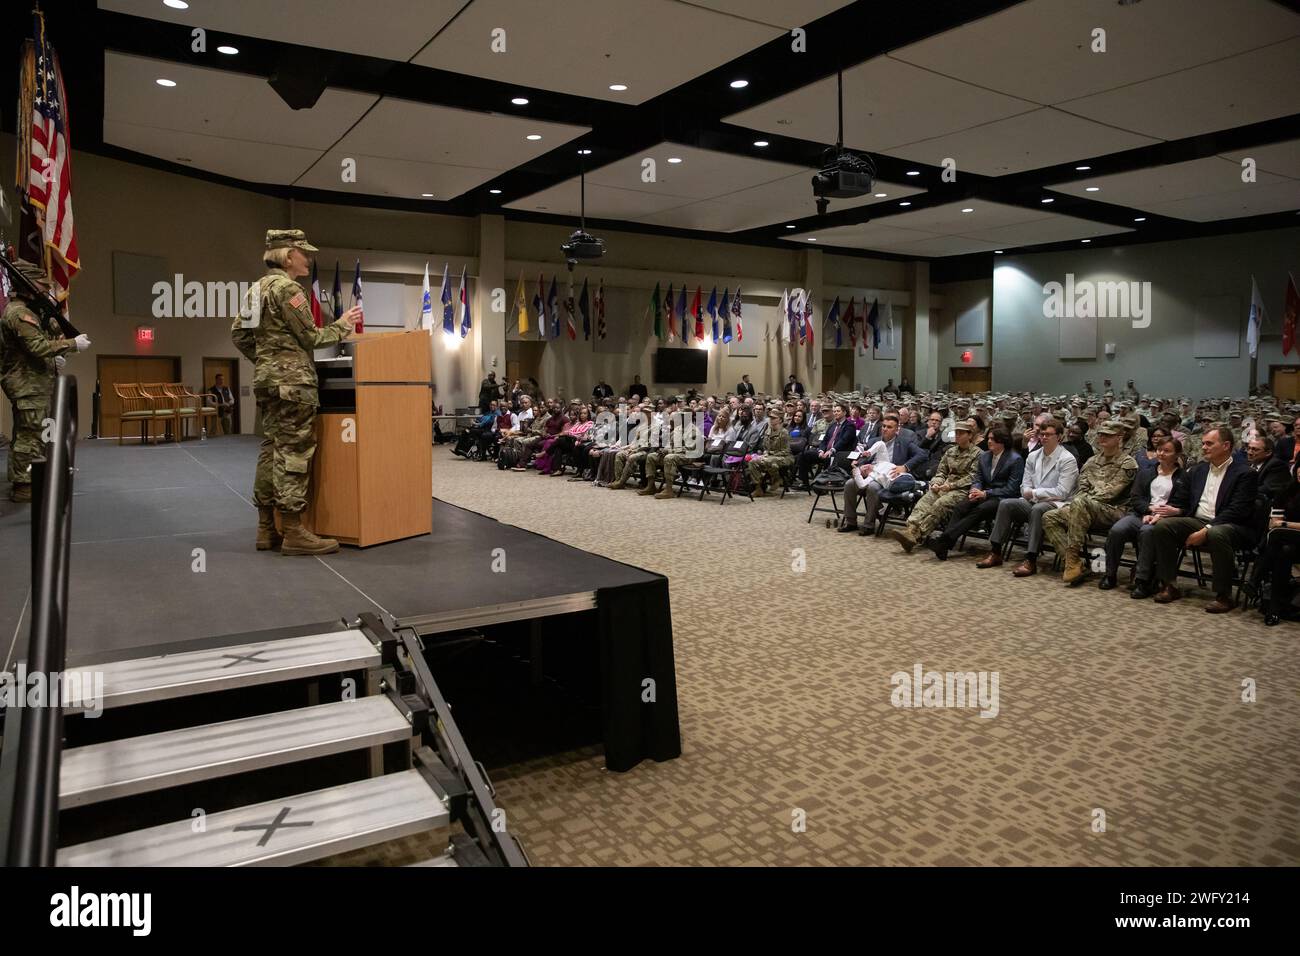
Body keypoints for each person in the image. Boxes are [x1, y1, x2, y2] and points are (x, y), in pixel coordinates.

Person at [230, 229, 357, 554]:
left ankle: (265, 528)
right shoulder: (289, 289)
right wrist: (343, 323)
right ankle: (293, 531)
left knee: (271, 448)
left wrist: (268, 361)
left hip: (267, 382)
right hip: (294, 385)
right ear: (288, 256)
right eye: (304, 252)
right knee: (295, 451)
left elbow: (239, 336)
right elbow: (313, 338)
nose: (309, 258)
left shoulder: (255, 290)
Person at [1, 259, 90, 502]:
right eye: (42, 285)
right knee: (29, 435)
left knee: (40, 432)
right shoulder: (19, 313)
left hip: (37, 382)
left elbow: (45, 339)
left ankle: (35, 476)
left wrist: (57, 356)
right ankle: (23, 484)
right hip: (26, 385)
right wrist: (73, 343)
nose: (47, 290)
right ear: (28, 286)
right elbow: (37, 346)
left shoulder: (33, 312)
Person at [1148, 426, 1259, 612]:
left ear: (1226, 445)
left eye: (1209, 443)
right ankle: (1170, 585)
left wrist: (1206, 529)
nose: (1204, 447)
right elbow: (1182, 501)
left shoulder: (1244, 473)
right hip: (1198, 521)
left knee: (1216, 533)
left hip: (1232, 525)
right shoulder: (1197, 470)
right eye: (1203, 444)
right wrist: (1170, 511)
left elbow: (1237, 511)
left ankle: (1224, 595)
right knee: (1163, 526)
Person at [1040, 419, 1138, 586]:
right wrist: (1082, 502)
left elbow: (1111, 492)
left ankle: (1071, 559)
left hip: (1112, 511)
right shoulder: (1091, 461)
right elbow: (1081, 488)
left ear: (1119, 438)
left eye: (1108, 435)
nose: (1102, 438)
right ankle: (1075, 563)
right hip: (1085, 508)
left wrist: (1083, 501)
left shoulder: (1127, 463)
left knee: (1079, 503)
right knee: (1049, 516)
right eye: (1100, 435)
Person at [977, 417, 1078, 574]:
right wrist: (1027, 491)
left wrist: (1034, 493)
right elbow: (1025, 484)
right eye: (1042, 434)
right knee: (1006, 504)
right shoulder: (1033, 456)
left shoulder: (1067, 459)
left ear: (1059, 437)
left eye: (1048, 434)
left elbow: (1062, 492)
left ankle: (1031, 559)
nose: (1044, 437)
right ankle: (996, 552)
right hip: (1031, 499)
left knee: (1038, 509)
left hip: (1058, 504)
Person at [925, 427, 1025, 561]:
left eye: (992, 439)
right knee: (961, 507)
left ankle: (944, 540)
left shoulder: (1015, 459)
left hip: (1002, 498)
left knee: (980, 509)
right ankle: (943, 547)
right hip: (982, 494)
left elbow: (1012, 489)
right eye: (988, 438)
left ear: (1002, 441)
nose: (988, 441)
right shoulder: (985, 456)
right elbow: (978, 478)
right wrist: (974, 490)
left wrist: (985, 493)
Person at [1102, 438, 1184, 595]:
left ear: (1177, 454)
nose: (1161, 453)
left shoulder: (1183, 477)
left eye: (1167, 451)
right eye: (1159, 450)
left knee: (1147, 532)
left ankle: (1142, 580)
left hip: (1164, 519)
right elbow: (1135, 498)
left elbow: (1181, 503)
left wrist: (1158, 515)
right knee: (1117, 530)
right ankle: (1109, 574)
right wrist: (1148, 509)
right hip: (1140, 514)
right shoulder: (1146, 472)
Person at [886, 420, 980, 553]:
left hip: (962, 490)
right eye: (956, 433)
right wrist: (937, 482)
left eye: (961, 433)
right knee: (927, 498)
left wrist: (951, 485)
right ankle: (910, 530)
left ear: (970, 436)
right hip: (945, 486)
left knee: (940, 504)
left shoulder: (977, 454)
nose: (957, 436)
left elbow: (973, 477)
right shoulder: (951, 451)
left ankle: (917, 535)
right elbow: (942, 471)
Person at [838, 413, 924, 534]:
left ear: (897, 429)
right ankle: (851, 522)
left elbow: (922, 455)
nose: (885, 429)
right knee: (849, 484)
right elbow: (863, 457)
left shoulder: (905, 442)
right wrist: (861, 466)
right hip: (871, 474)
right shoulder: (874, 441)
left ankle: (869, 525)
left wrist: (905, 467)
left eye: (889, 427)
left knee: (873, 487)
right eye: (883, 426)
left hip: (888, 478)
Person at [1258, 464, 1300, 625]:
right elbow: (1272, 523)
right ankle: (1274, 609)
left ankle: (1257, 577)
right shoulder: (1286, 491)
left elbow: (1278, 525)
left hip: (1283, 538)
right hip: (1287, 545)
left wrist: (1284, 525)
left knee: (1278, 535)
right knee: (1283, 552)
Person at [798, 402, 854, 486]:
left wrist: (831, 450)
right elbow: (824, 440)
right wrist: (821, 450)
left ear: (845, 412)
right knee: (803, 455)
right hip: (825, 453)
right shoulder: (833, 425)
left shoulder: (849, 426)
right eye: (834, 411)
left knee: (829, 459)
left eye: (838, 411)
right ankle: (804, 483)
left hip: (838, 454)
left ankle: (822, 482)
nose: (835, 413)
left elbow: (843, 441)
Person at [747, 410, 794, 497]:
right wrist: (764, 454)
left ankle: (777, 479)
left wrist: (768, 455)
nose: (771, 420)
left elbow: (785, 451)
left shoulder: (784, 433)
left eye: (773, 418)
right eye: (770, 418)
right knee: (752, 462)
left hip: (785, 457)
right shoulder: (768, 431)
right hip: (770, 456)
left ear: (780, 420)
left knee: (769, 461)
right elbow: (765, 447)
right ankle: (758, 488)